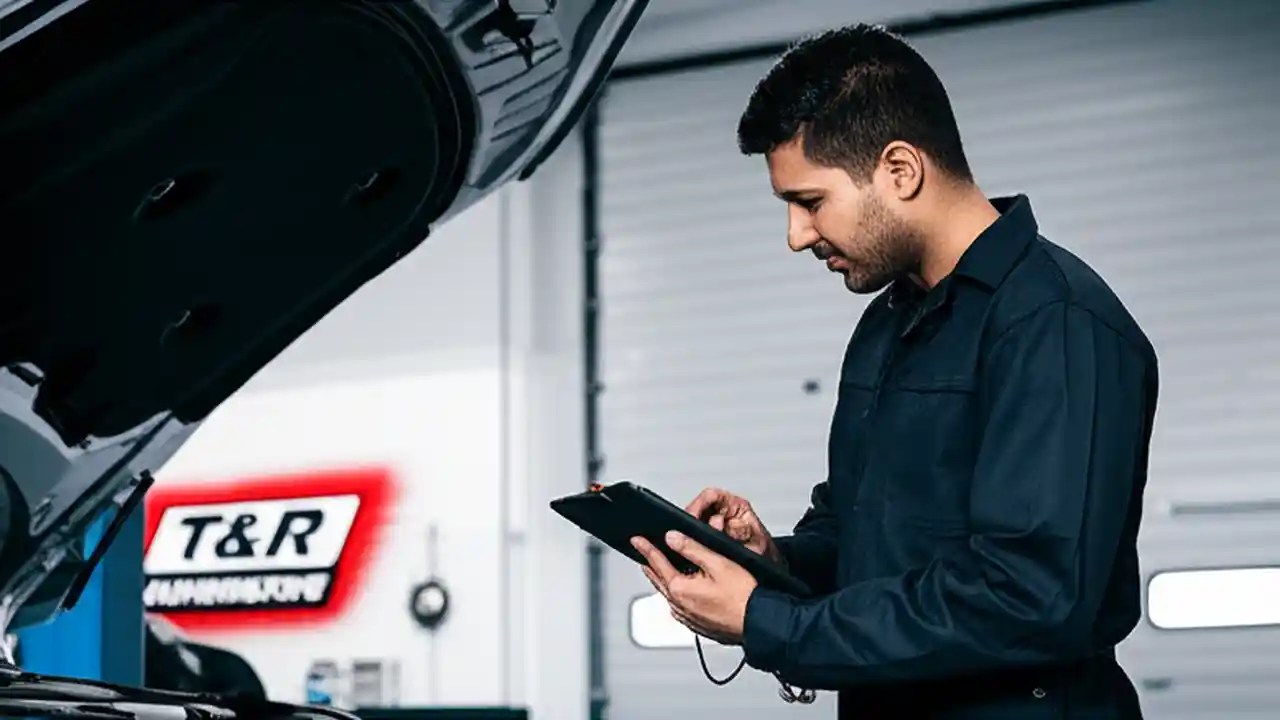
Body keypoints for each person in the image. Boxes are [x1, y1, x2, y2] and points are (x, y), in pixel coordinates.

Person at [629, 22, 1158, 720]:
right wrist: (775, 563)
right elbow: (858, 534)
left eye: (810, 202)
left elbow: (1031, 598)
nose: (796, 236)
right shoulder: (887, 323)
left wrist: (770, 624)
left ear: (900, 170)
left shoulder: (1054, 324)